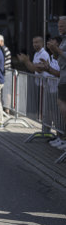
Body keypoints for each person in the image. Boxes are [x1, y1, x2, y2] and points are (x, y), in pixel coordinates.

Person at [46, 17, 66, 149]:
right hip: (63, 78)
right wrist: (53, 51)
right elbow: (59, 57)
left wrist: (57, 50)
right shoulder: (63, 39)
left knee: (62, 104)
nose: (59, 28)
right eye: (59, 25)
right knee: (60, 105)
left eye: (62, 26)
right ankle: (63, 137)